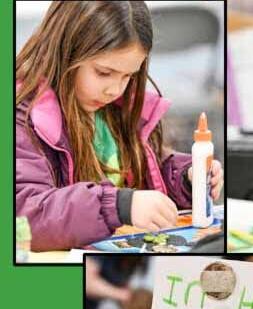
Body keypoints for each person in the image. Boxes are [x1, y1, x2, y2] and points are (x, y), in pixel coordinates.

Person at [15, 1, 224, 251]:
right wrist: (118, 206)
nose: (115, 89)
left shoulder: (118, 109)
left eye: (129, 76)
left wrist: (185, 179)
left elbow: (146, 177)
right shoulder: (23, 118)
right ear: (64, 51)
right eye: (104, 73)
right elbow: (25, 216)